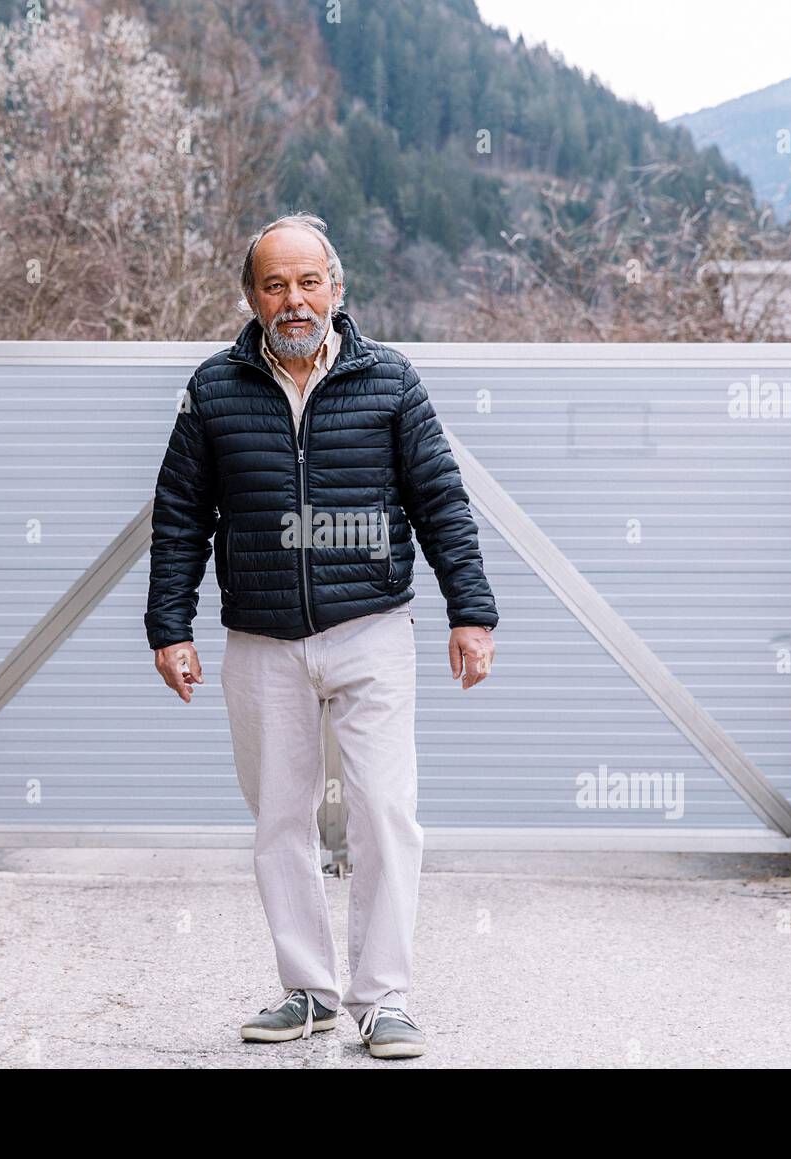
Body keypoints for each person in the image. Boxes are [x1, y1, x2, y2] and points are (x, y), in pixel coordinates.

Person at [145, 212, 498, 1060]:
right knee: (279, 819)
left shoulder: (390, 380)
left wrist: (471, 610)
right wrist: (170, 624)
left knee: (383, 811)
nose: (293, 299)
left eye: (308, 282)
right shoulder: (213, 388)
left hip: (371, 627)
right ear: (252, 296)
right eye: (274, 284)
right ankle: (308, 991)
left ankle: (384, 1000)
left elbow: (441, 499)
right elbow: (181, 513)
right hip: (260, 638)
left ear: (336, 290)